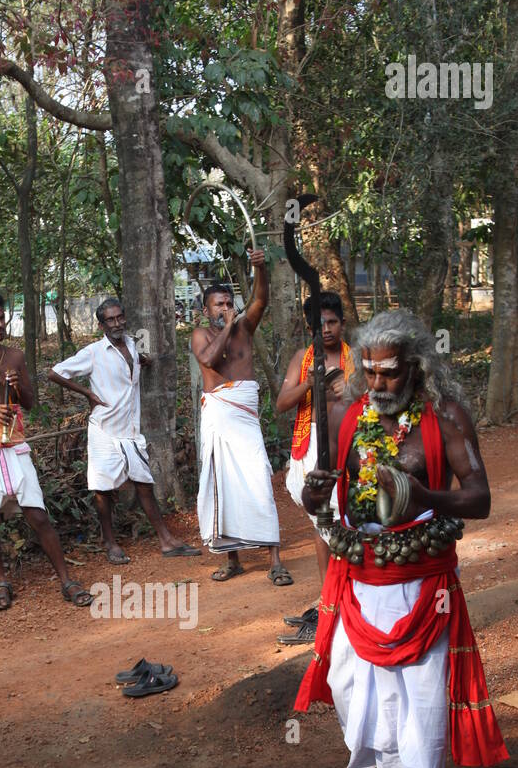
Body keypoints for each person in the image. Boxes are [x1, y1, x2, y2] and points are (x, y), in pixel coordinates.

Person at [294, 309, 508, 768]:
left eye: (389, 373)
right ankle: (363, 759)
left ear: (415, 365)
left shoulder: (448, 416)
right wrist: (313, 496)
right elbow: (321, 494)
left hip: (422, 586)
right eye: (369, 372)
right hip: (358, 575)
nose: (378, 384)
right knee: (353, 685)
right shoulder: (347, 415)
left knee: (423, 696)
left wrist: (426, 498)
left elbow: (479, 497)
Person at [0, 291, 92, 610]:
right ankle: (1, 582)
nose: (0, 324)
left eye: (1, 318)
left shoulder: (15, 356)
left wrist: (17, 386)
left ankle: (67, 580)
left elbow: (30, 403)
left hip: (15, 443)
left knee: (37, 513)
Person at [47, 298, 199, 564]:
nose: (117, 323)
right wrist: (87, 393)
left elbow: (135, 362)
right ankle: (110, 542)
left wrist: (143, 362)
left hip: (130, 430)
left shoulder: (131, 343)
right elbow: (55, 373)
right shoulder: (93, 352)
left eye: (120, 317)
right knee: (103, 490)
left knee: (144, 483)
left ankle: (166, 540)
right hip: (104, 429)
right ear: (101, 324)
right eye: (110, 320)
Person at [191, 256, 291, 585]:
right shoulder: (201, 335)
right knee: (223, 484)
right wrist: (228, 325)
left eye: (229, 302)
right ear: (206, 311)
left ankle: (274, 559)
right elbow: (209, 359)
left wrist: (260, 268)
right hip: (219, 416)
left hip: (244, 418)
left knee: (259, 477)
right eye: (218, 305)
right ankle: (232, 559)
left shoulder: (245, 329)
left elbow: (261, 298)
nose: (225, 308)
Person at [276, 291, 355, 642]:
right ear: (310, 327)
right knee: (321, 524)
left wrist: (346, 389)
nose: (326, 329)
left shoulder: (358, 359)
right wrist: (310, 382)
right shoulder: (302, 359)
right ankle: (329, 601)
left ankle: (345, 601)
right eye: (319, 324)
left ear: (342, 323)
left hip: (349, 448)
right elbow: (281, 404)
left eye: (332, 322)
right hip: (311, 447)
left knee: (346, 523)